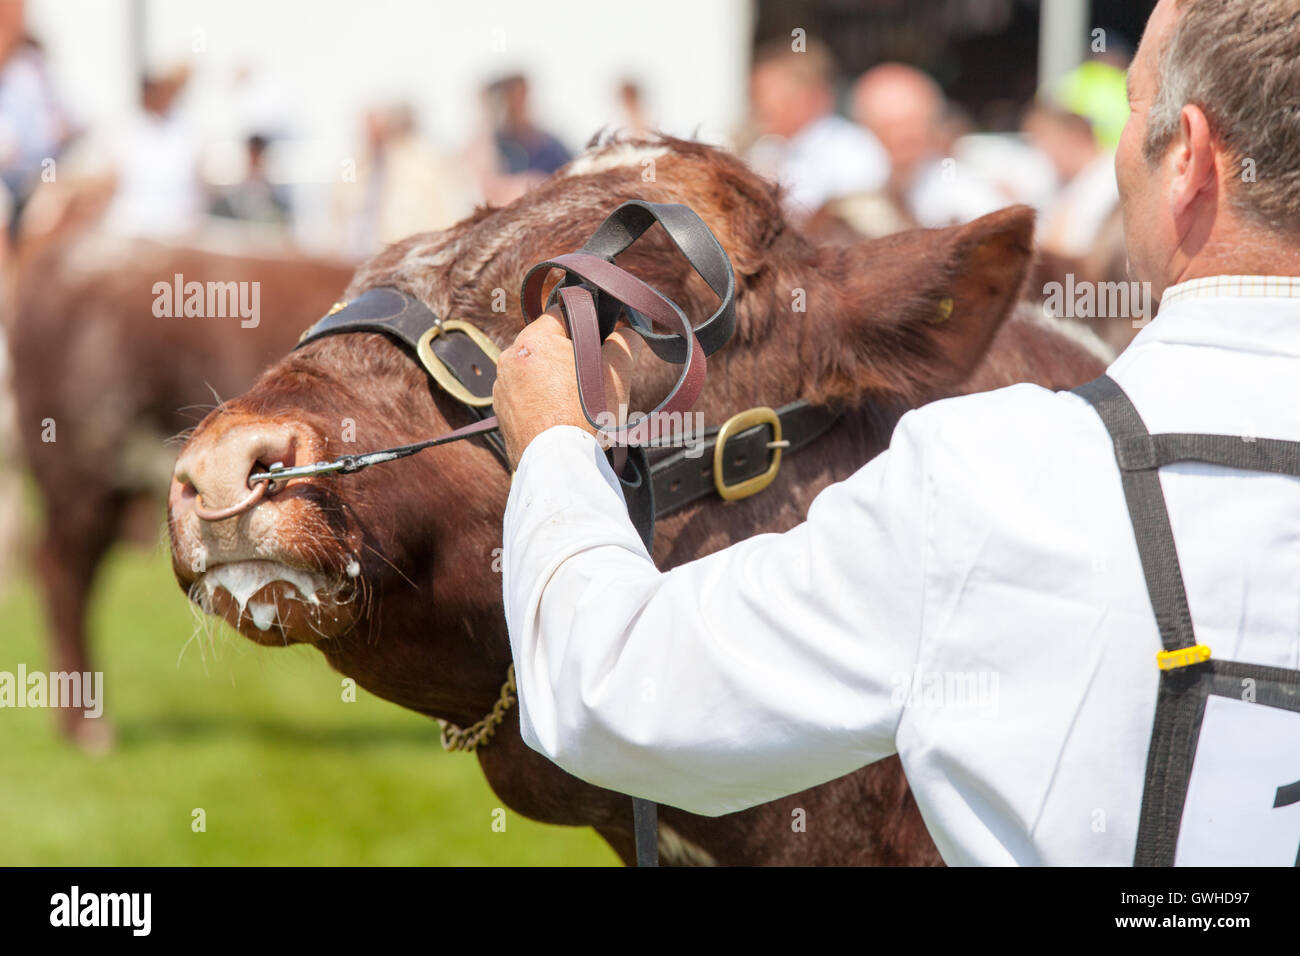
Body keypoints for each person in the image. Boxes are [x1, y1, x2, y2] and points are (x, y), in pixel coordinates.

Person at [490, 0, 1300, 866]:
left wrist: (559, 444)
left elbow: (615, 693)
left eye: (1134, 107)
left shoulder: (997, 479)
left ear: (1189, 158)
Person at [745, 38, 888, 221]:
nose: (761, 107)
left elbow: (860, 225)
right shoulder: (765, 149)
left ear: (814, 96)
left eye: (773, 96)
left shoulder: (854, 151)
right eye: (756, 96)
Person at [852, 62, 1006, 228]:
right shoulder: (846, 186)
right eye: (888, 127)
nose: (902, 136)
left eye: (912, 125)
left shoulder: (957, 187)